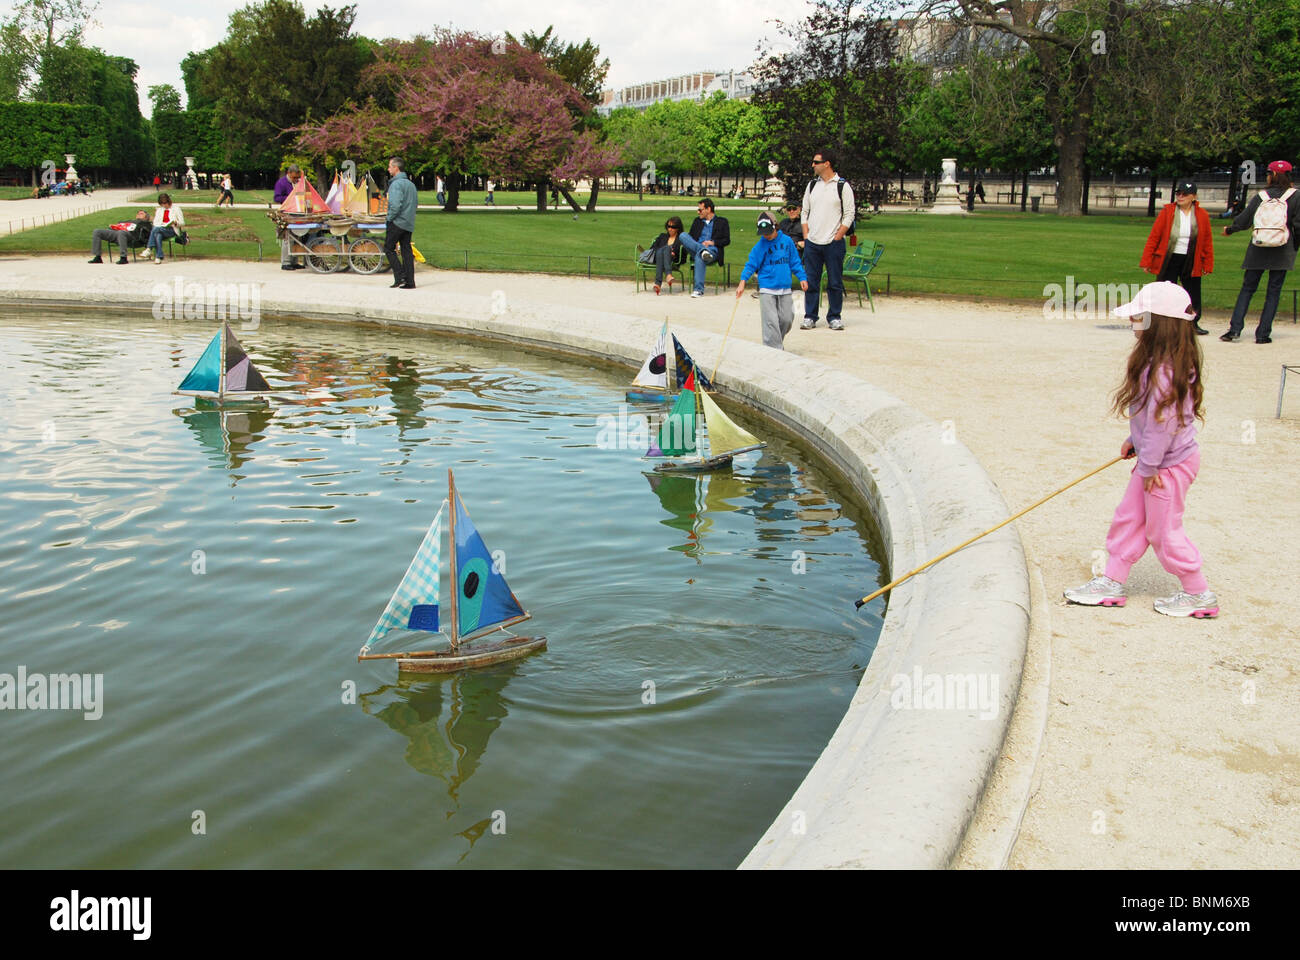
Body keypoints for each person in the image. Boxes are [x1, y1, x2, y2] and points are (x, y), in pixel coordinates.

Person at [1064, 281, 1218, 618]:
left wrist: (1148, 467)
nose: (1133, 318)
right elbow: (1154, 422)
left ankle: (1199, 593)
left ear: (1158, 322)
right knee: (1130, 518)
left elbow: (1164, 428)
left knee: (1163, 531)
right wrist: (1136, 441)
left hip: (1167, 467)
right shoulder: (1157, 361)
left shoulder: (1165, 371)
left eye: (1139, 314)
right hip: (1155, 460)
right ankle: (1112, 581)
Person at [1220, 160, 1300, 344]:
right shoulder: (1296, 196)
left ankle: (1234, 329)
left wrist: (1230, 230)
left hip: (1258, 245)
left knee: (1248, 288)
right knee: (1273, 291)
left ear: (1271, 175)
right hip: (1283, 247)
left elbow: (1244, 220)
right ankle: (1263, 334)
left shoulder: (1261, 195)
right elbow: (1298, 225)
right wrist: (1295, 246)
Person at [1139, 180, 1214, 335]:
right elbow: (1154, 237)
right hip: (1170, 257)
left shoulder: (1202, 215)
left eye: (1184, 194)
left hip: (1191, 258)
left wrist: (1207, 263)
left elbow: (1207, 240)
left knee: (1193, 292)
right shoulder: (1168, 212)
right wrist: (1147, 260)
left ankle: (1192, 323)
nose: (1180, 197)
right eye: (1178, 193)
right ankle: (1159, 323)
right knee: (1164, 290)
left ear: (1193, 196)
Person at [734, 213, 809, 349]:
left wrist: (802, 277)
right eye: (763, 233)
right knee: (771, 322)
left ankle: (774, 343)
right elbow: (751, 264)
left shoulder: (787, 242)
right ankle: (775, 349)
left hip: (785, 287)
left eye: (768, 232)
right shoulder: (760, 246)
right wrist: (742, 281)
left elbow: (795, 262)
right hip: (767, 288)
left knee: (787, 319)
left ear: (775, 226)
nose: (766, 235)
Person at [801, 150, 855, 330]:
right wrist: (806, 235)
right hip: (813, 242)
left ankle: (834, 316)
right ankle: (810, 315)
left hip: (833, 243)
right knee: (811, 281)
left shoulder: (842, 186)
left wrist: (838, 236)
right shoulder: (811, 185)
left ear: (827, 163)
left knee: (834, 282)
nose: (813, 165)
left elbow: (849, 214)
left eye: (816, 162)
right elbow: (804, 212)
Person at [682, 198, 730, 298]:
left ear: (708, 209)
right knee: (682, 235)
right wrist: (700, 246)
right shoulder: (697, 221)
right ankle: (702, 251)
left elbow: (727, 240)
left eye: (700, 210)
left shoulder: (722, 221)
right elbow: (690, 238)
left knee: (699, 257)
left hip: (712, 250)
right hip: (697, 247)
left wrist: (713, 242)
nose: (698, 212)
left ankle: (698, 290)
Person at [384, 156, 417, 289]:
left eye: (390, 166)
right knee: (406, 251)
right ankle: (410, 281)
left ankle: (400, 276)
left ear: (396, 168)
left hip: (397, 222)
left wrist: (389, 218)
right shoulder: (411, 184)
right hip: (408, 222)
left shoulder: (396, 184)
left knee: (388, 248)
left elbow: (395, 205)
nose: (388, 169)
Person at [274, 164, 305, 270]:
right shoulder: (281, 183)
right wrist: (291, 196)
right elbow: (277, 197)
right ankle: (286, 262)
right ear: (289, 173)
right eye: (294, 177)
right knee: (288, 238)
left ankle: (294, 261)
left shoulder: (298, 183)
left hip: (297, 212)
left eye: (297, 177)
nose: (296, 179)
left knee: (297, 237)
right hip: (286, 212)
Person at [645, 216, 687, 294]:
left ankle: (658, 284)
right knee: (665, 249)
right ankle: (668, 275)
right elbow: (652, 248)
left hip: (673, 260)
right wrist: (665, 250)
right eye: (668, 226)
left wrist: (673, 253)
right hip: (657, 257)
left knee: (666, 250)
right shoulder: (662, 236)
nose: (670, 229)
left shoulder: (681, 239)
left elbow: (684, 253)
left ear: (678, 228)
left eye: (673, 227)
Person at [145, 194, 185, 263]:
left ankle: (149, 248)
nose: (164, 205)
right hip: (161, 229)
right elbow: (155, 222)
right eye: (162, 204)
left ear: (169, 202)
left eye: (165, 203)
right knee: (158, 234)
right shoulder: (159, 210)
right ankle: (158, 256)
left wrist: (176, 223)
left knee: (156, 230)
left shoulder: (176, 209)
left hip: (172, 230)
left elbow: (182, 222)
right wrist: (160, 225)